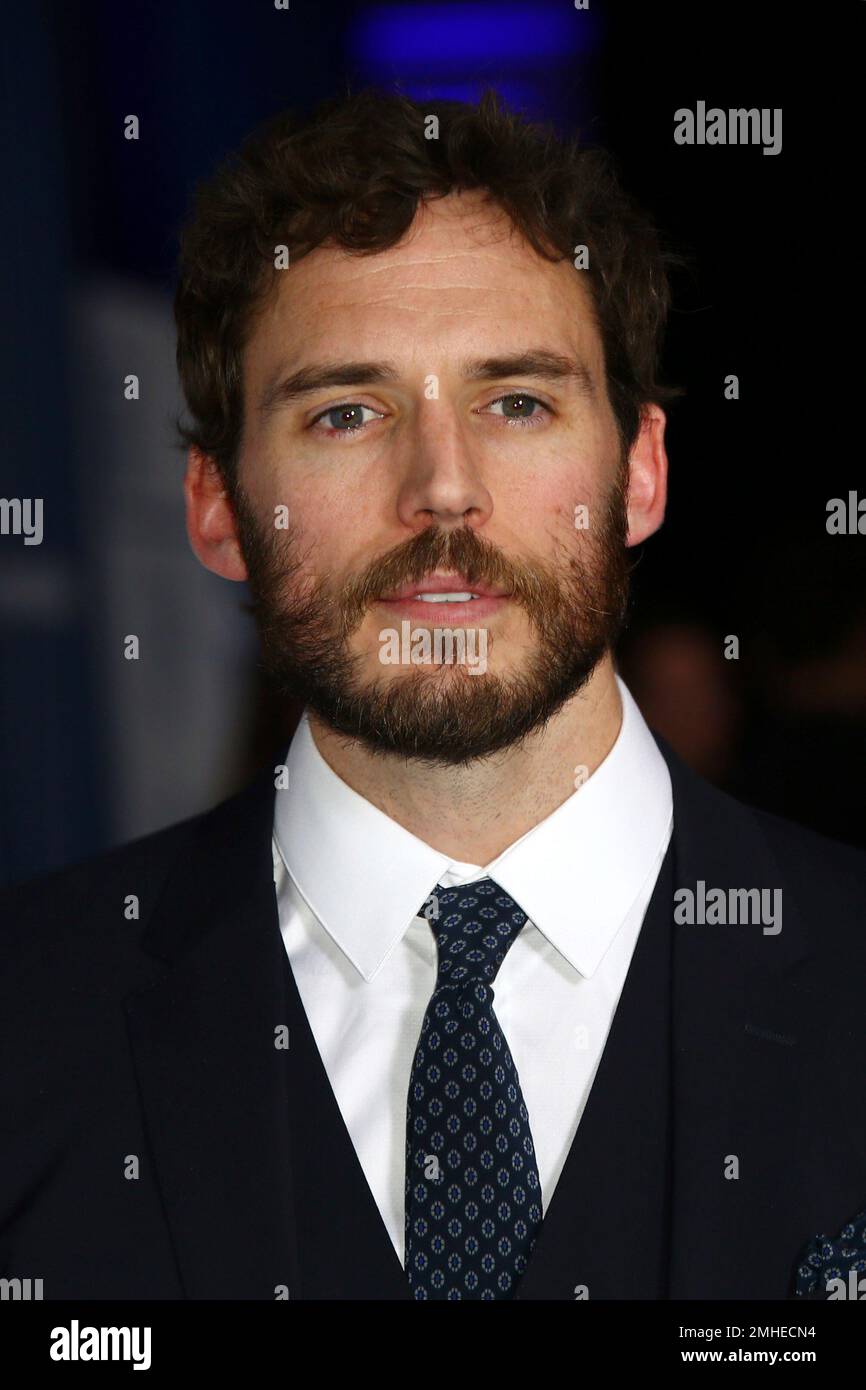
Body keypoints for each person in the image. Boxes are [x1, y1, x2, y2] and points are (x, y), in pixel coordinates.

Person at [2, 90, 864, 1302]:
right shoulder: (27, 1019)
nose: (442, 490)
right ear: (214, 504)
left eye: (516, 402)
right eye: (346, 413)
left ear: (639, 472)